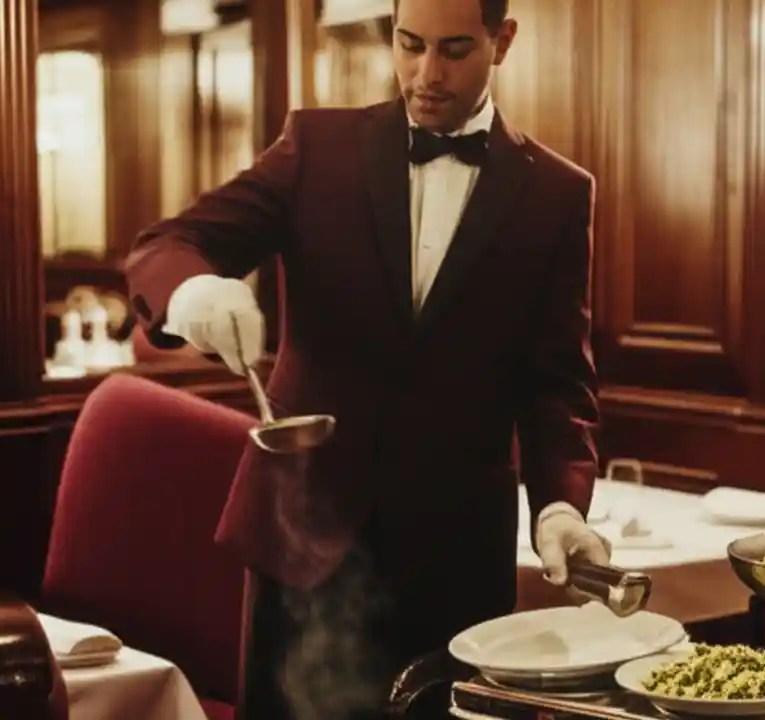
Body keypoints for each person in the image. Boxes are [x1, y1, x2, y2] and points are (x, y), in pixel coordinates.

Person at [124, 0, 610, 716]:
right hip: (306, 536)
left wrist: (561, 506)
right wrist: (195, 292)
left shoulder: (557, 193)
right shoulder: (316, 147)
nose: (424, 74)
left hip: (455, 559)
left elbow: (556, 384)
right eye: (408, 45)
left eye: (453, 51)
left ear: (501, 41)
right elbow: (163, 248)